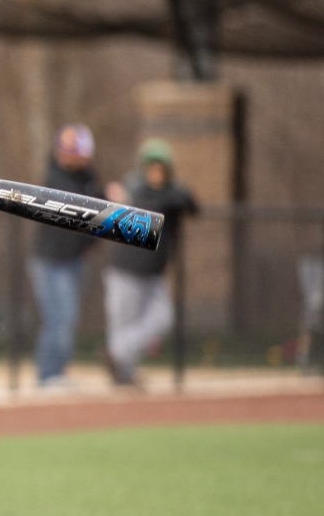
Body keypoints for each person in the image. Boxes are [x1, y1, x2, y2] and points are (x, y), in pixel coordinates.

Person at [102, 138, 199, 387]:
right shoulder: (134, 190)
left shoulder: (174, 193)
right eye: (152, 168)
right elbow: (131, 200)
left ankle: (115, 352)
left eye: (161, 168)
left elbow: (192, 206)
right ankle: (122, 375)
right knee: (124, 323)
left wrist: (172, 193)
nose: (156, 173)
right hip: (125, 271)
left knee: (162, 319)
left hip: (154, 273)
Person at [28, 125, 101, 388]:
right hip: (50, 261)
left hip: (74, 261)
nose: (70, 156)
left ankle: (57, 372)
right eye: (66, 151)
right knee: (58, 318)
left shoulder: (90, 180)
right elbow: (75, 203)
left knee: (66, 319)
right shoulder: (54, 177)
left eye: (76, 151)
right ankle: (48, 375)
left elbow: (98, 216)